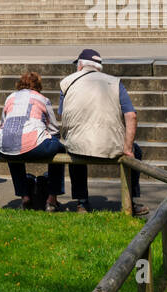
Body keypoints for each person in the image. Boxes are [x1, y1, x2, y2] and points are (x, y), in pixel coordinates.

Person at [59, 48, 148, 217]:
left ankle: (82, 203)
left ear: (80, 66)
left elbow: (63, 115)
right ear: (99, 67)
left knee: (74, 148)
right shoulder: (115, 83)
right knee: (136, 151)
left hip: (78, 145)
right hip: (111, 145)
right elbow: (131, 115)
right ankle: (130, 200)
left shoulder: (67, 83)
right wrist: (128, 148)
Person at [0, 71, 64, 211]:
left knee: (13, 151)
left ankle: (25, 196)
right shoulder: (43, 99)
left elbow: (3, 122)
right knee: (60, 148)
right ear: (38, 86)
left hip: (5, 145)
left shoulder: (10, 98)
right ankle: (52, 199)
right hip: (34, 145)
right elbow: (54, 129)